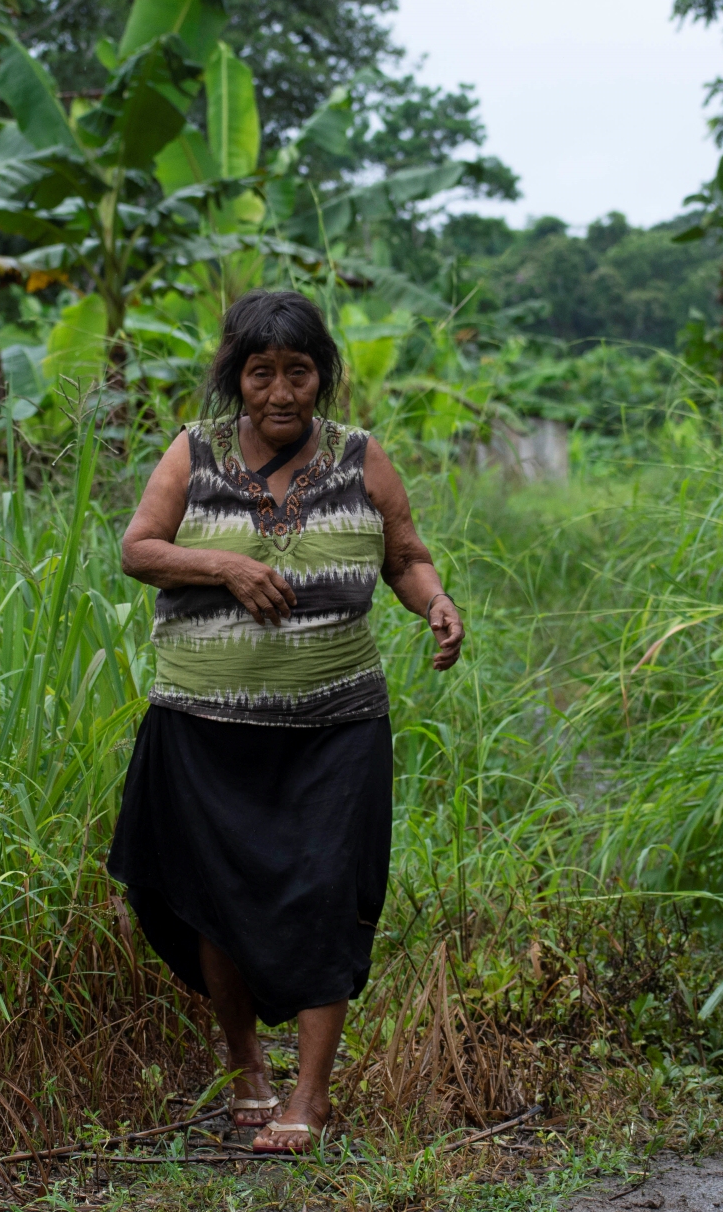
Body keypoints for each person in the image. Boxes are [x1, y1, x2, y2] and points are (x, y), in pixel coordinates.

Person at [109, 289, 465, 1154]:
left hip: (336, 726)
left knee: (327, 895)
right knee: (212, 898)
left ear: (322, 376)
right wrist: (227, 566)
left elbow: (405, 555)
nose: (279, 391)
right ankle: (246, 1071)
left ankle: (309, 1096)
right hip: (203, 727)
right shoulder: (191, 453)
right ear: (237, 376)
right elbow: (139, 549)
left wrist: (436, 601)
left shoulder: (362, 457)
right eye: (261, 372)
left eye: (298, 372)